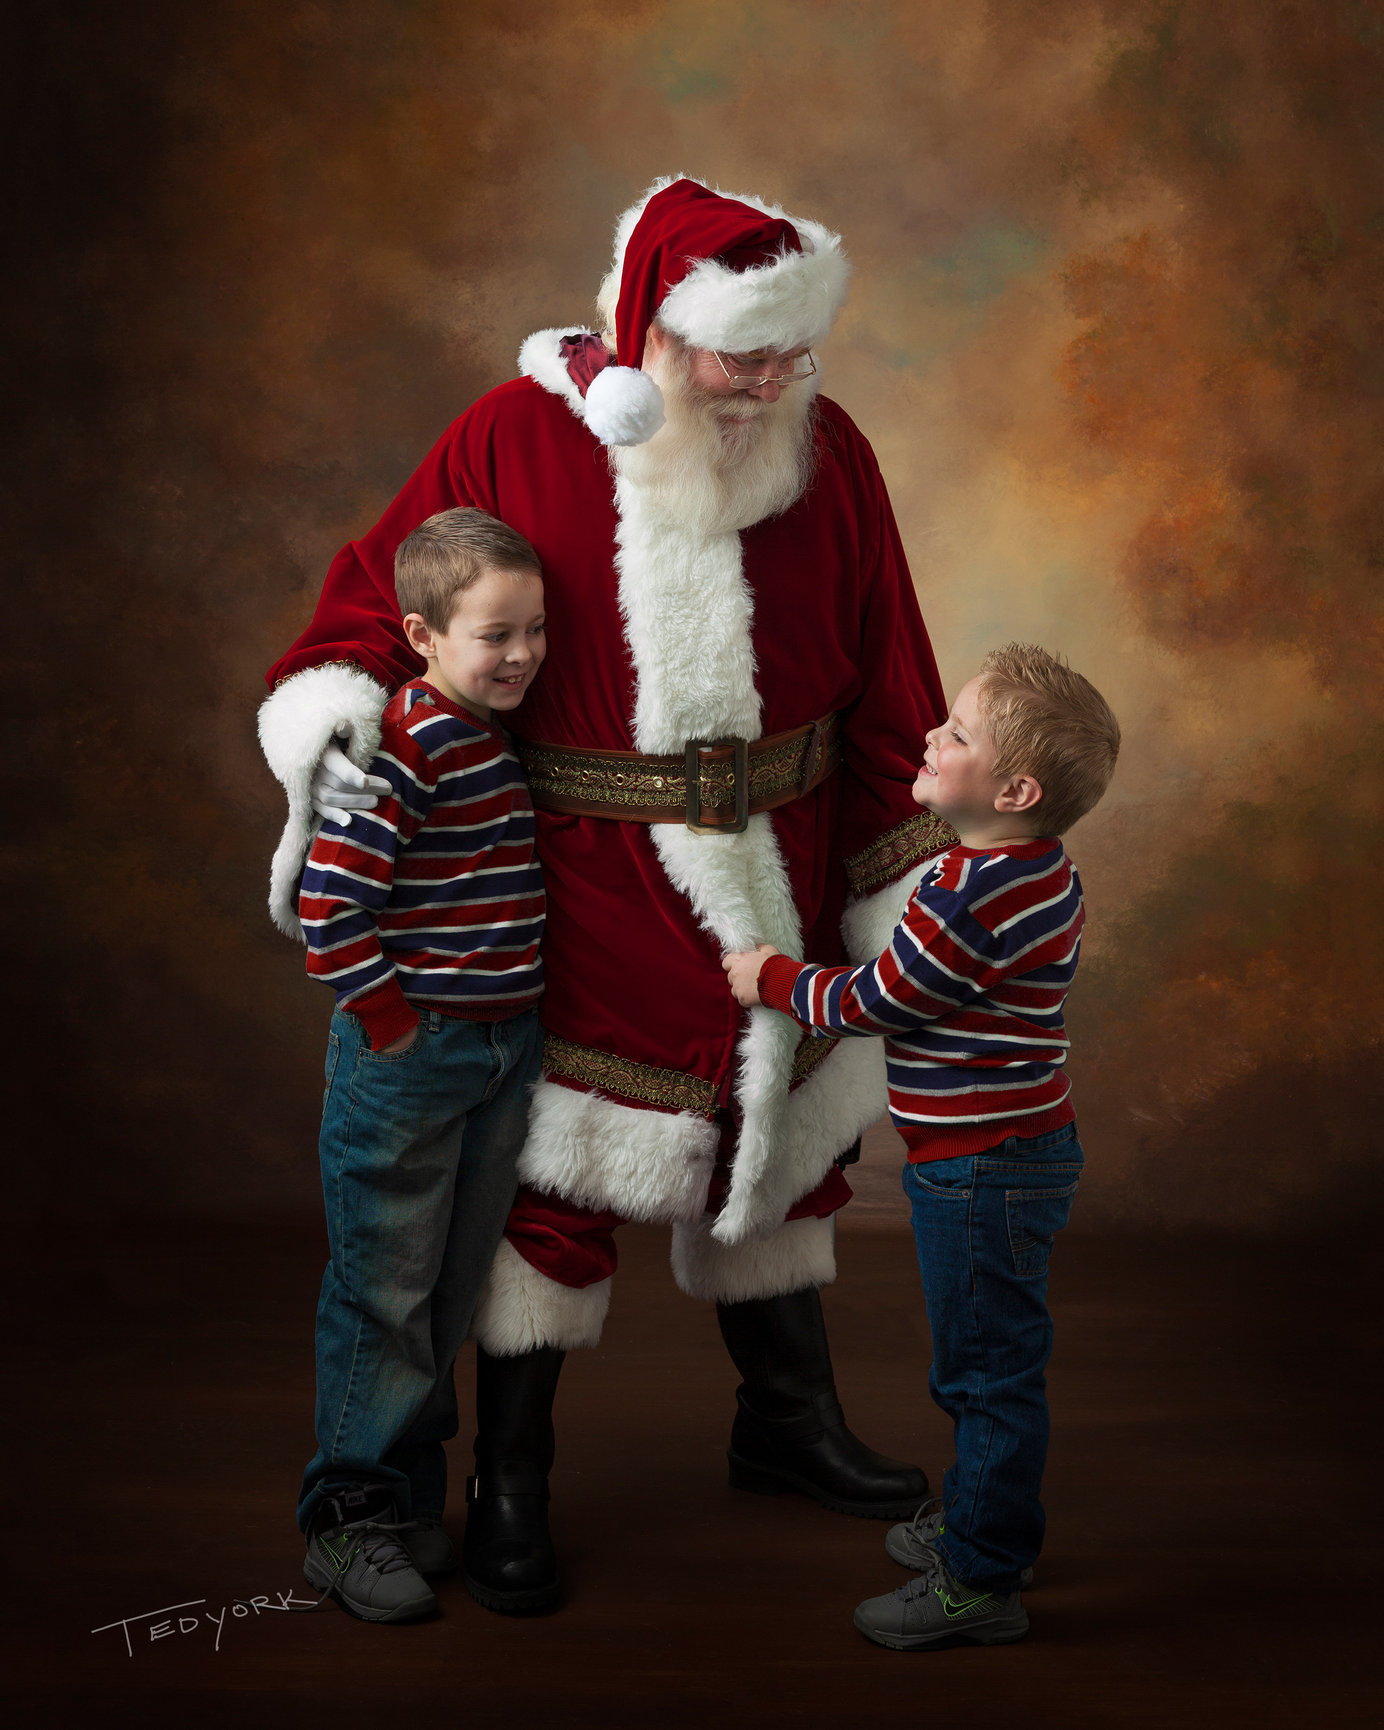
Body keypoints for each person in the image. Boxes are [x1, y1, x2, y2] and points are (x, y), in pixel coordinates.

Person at [258, 175, 955, 1616]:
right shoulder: (512, 437)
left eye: (790, 350)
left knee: (781, 1144)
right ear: (651, 333)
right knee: (556, 1178)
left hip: (786, 860)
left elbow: (892, 665)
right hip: (571, 878)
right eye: (738, 353)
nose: (769, 382)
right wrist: (335, 733)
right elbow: (373, 613)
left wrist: (898, 876)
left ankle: (786, 1421)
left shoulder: (833, 451)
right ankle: (510, 1477)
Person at [724, 644, 1120, 1651]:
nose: (932, 736)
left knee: (984, 1374)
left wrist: (773, 976)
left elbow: (878, 1000)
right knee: (989, 1360)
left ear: (1014, 791)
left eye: (957, 733)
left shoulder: (969, 892)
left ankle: (980, 1577)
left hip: (981, 1164)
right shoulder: (1033, 869)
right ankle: (986, 1523)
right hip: (1015, 1148)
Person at [296, 507, 548, 1622]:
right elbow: (329, 908)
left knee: (447, 1288)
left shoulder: (485, 731)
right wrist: (394, 1022)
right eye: (496, 634)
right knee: (383, 1289)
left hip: (499, 1050)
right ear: (422, 634)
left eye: (535, 629)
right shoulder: (402, 745)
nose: (523, 653)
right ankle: (347, 1520)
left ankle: (406, 1504)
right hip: (414, 1052)